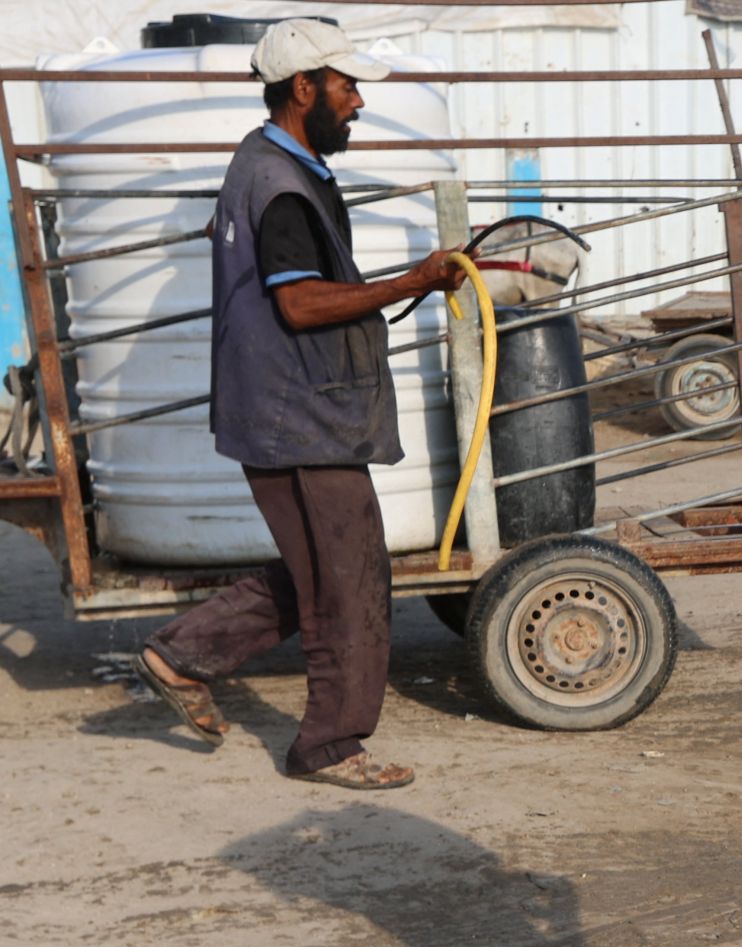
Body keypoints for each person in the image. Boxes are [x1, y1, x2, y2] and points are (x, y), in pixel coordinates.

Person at [135, 19, 463, 790]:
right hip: (301, 417)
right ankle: (328, 746)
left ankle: (179, 655)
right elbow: (304, 305)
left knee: (325, 570)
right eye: (346, 86)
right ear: (303, 88)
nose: (357, 102)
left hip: (294, 410)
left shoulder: (285, 168)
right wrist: (413, 281)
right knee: (349, 582)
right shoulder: (279, 185)